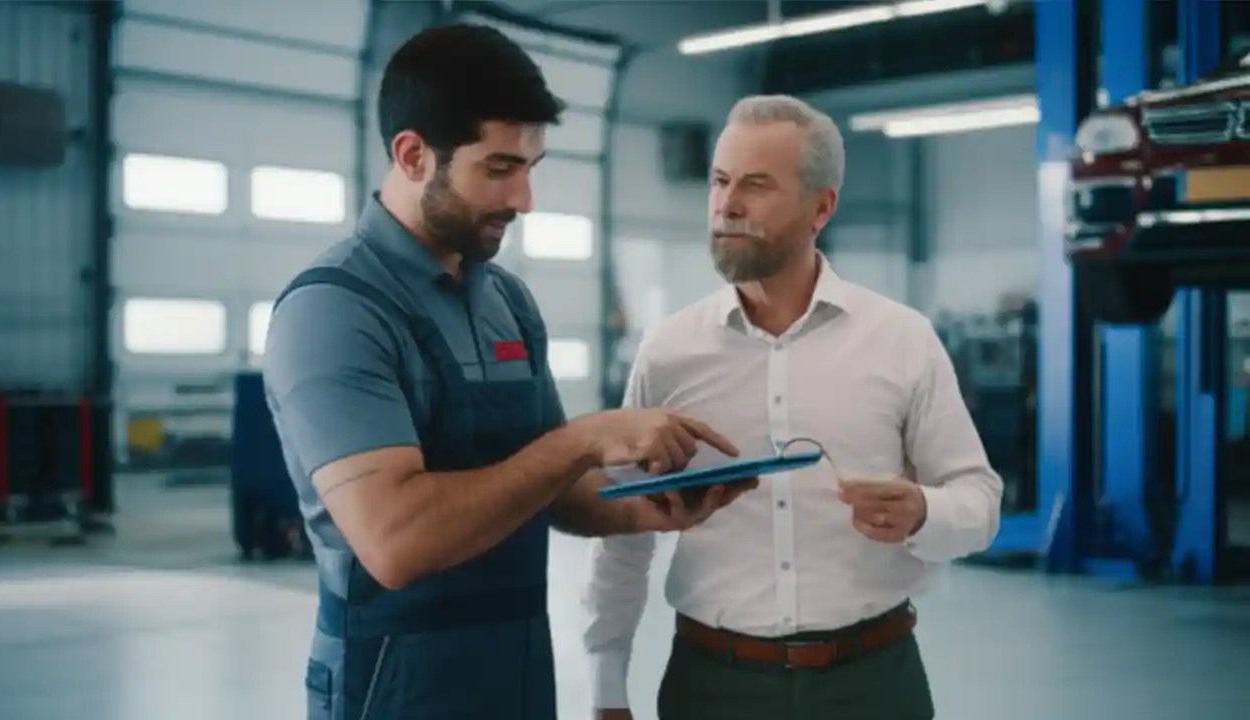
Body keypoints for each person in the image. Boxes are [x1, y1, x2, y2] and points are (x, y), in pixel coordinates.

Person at [262, 24, 753, 720]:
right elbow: (395, 542)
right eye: (498, 168)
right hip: (391, 689)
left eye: (531, 166)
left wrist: (649, 504)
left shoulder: (506, 301)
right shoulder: (334, 313)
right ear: (412, 155)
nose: (524, 198)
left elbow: (556, 490)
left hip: (515, 677)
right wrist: (584, 439)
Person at [582, 95, 1003, 720]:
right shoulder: (668, 351)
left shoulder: (901, 338)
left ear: (821, 206)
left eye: (756, 185)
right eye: (720, 182)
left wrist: (923, 511)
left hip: (873, 686)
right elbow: (623, 533)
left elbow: (979, 499)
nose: (727, 204)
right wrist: (606, 686)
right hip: (713, 689)